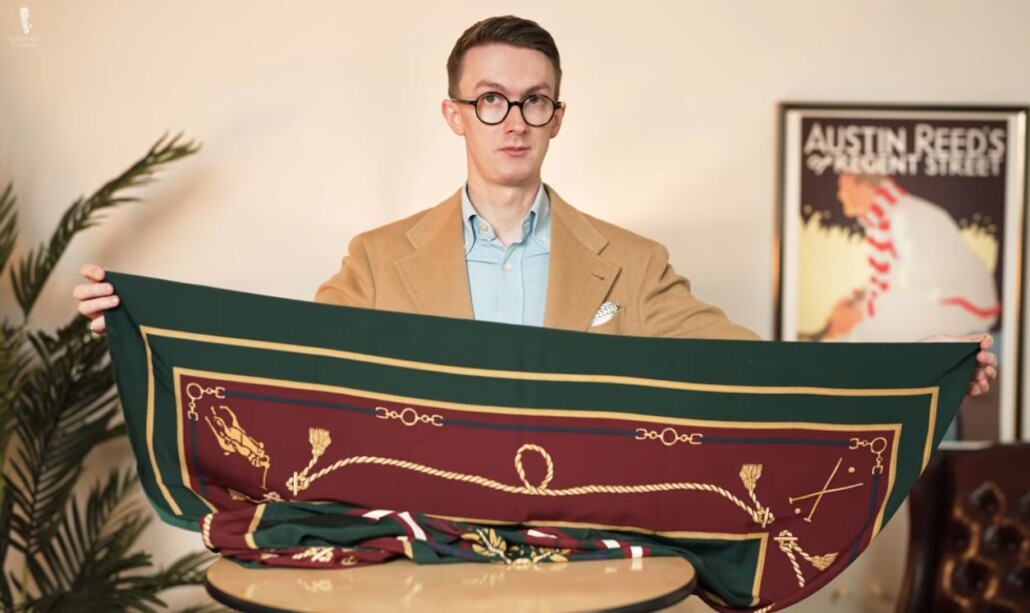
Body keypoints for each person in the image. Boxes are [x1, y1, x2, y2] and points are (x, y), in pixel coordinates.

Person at [73, 16, 997, 395]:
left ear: (558, 116)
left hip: (588, 567)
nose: (512, 119)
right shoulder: (375, 257)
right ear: (456, 114)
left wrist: (912, 367)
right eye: (491, 99)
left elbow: (746, 375)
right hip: (427, 569)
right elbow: (293, 378)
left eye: (534, 100)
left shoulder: (632, 264)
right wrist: (137, 325)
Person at [822, 173, 1000, 342]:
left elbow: (919, 291)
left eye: (843, 188)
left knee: (861, 336)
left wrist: (860, 313)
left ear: (862, 185)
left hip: (961, 307)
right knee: (856, 335)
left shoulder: (906, 217)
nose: (840, 195)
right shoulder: (888, 219)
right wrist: (857, 301)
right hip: (937, 303)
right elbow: (890, 284)